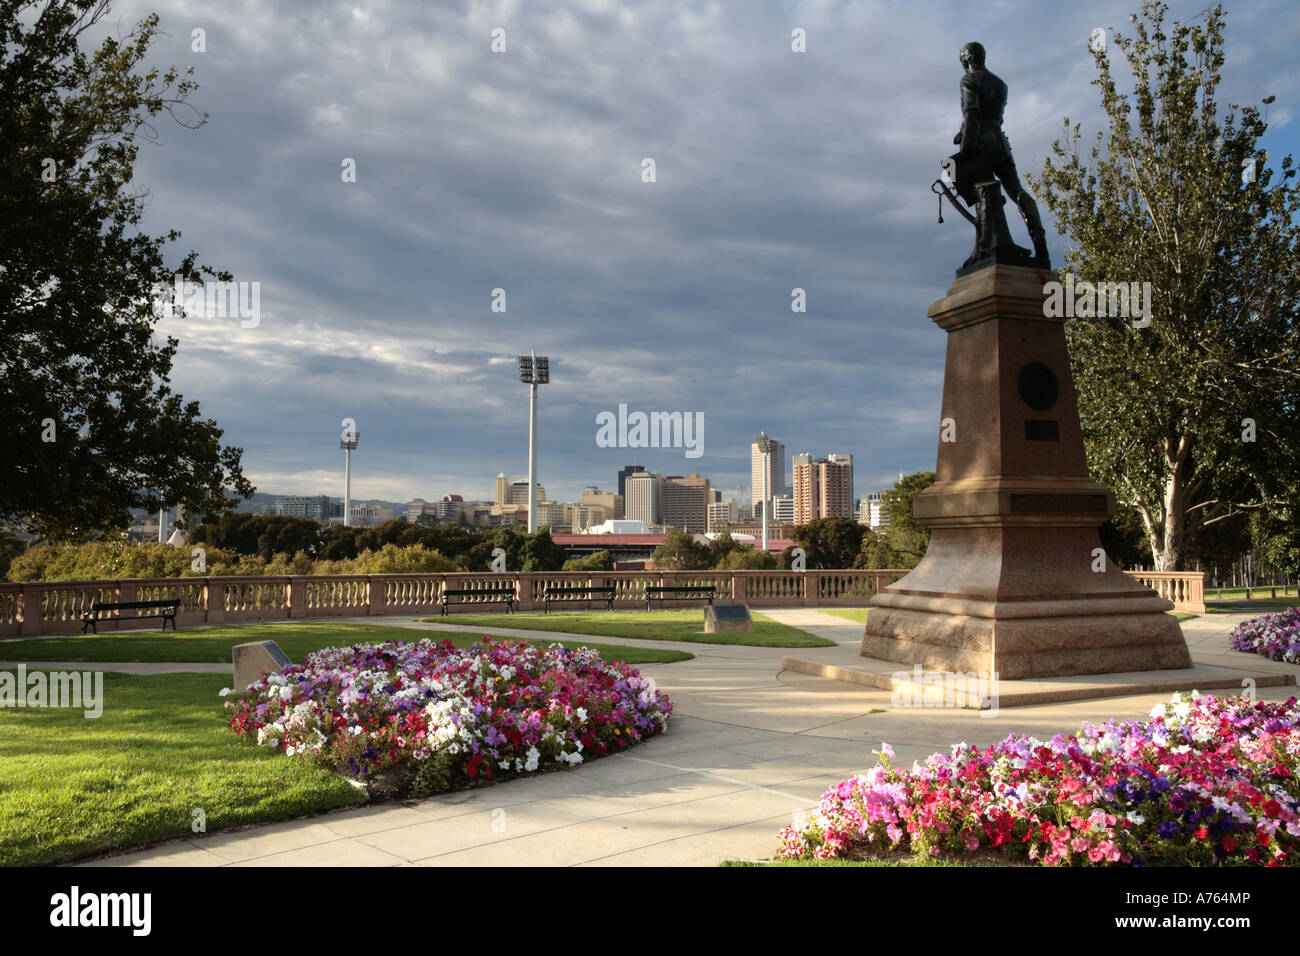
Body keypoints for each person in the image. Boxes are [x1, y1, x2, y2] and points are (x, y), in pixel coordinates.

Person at [952, 42, 1048, 262]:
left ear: (966, 59)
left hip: (980, 144)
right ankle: (1040, 243)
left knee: (978, 192)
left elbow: (972, 113)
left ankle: (987, 245)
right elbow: (995, 116)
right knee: (1017, 192)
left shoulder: (968, 80)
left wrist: (967, 148)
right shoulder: (1000, 84)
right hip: (1000, 142)